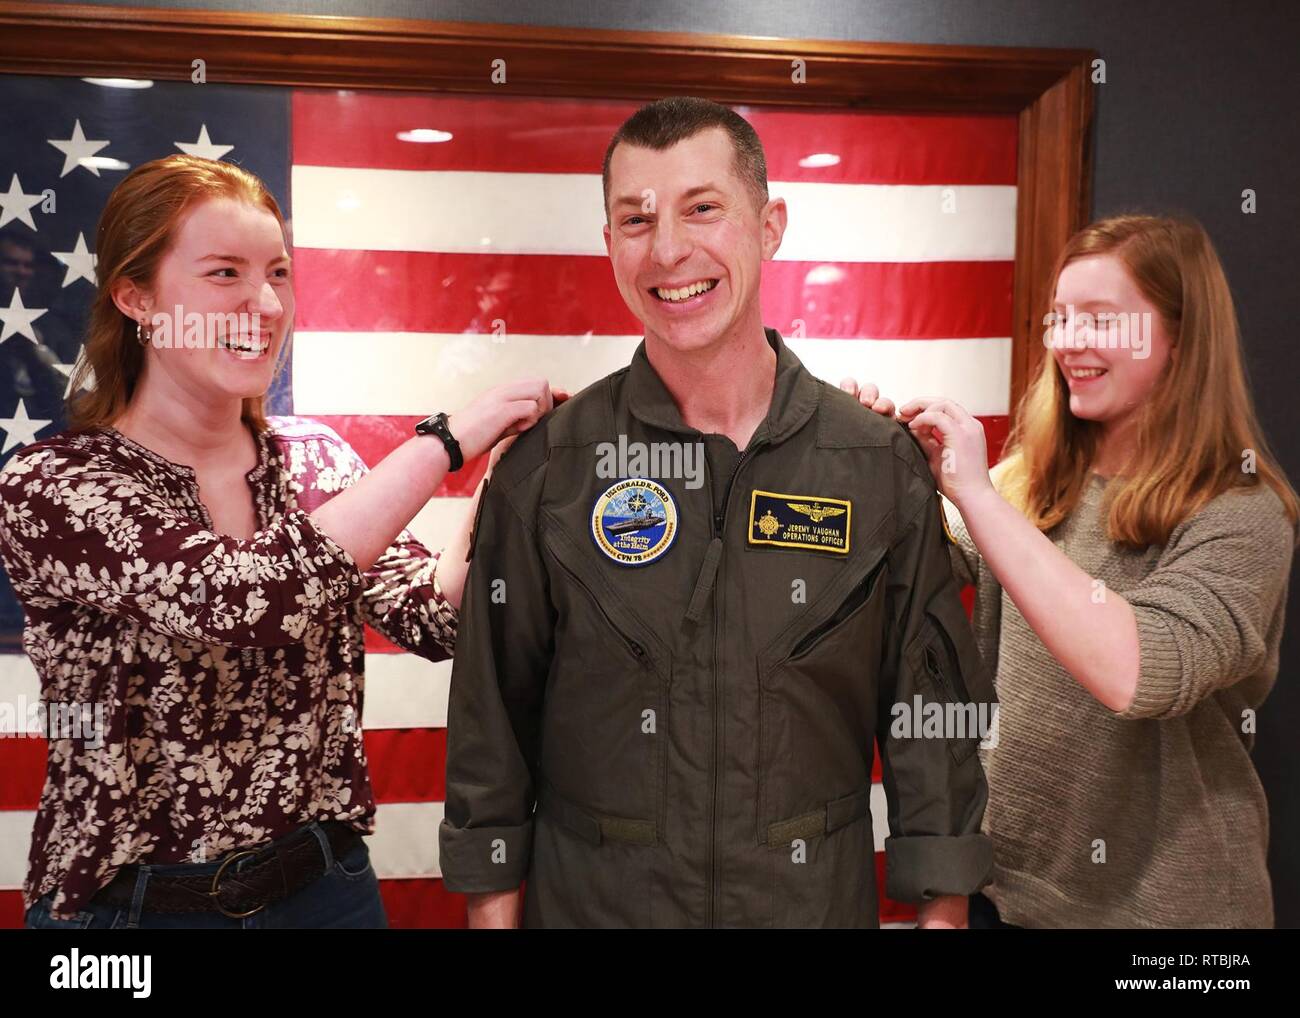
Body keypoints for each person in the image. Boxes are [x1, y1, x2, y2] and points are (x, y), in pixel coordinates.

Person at [438, 96, 995, 928]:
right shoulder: (549, 471)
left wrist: (944, 915)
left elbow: (932, 726)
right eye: (636, 219)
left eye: (703, 209)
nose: (668, 250)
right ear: (609, 244)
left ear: (769, 226)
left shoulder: (876, 467)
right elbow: (492, 730)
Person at [0, 154, 555, 928]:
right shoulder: (56, 483)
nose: (264, 304)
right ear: (136, 297)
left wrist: (502, 472)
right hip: (135, 910)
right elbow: (242, 599)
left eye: (279, 273)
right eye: (224, 273)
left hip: (325, 889)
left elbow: (437, 618)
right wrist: (444, 442)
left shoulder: (314, 458)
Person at [855, 214, 1298, 927]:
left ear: (1182, 338)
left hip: (1170, 919)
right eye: (1058, 318)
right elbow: (908, 579)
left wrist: (975, 493)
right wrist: (867, 465)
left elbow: (1137, 671)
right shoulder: (1030, 481)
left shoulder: (1245, 514)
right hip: (1009, 895)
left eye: (1100, 319)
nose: (1067, 343)